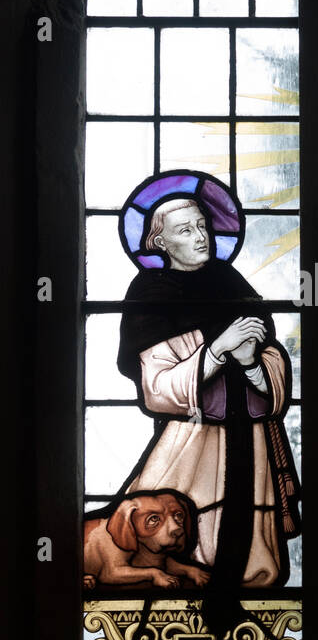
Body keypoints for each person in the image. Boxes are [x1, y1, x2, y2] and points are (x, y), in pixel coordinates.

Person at [115, 193, 300, 596]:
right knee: (169, 526)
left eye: (203, 226)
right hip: (190, 438)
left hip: (250, 437)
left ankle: (247, 586)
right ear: (160, 242)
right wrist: (216, 350)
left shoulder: (232, 283)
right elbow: (156, 388)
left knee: (253, 551)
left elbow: (273, 366)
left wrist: (252, 362)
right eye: (186, 230)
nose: (201, 237)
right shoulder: (150, 293)